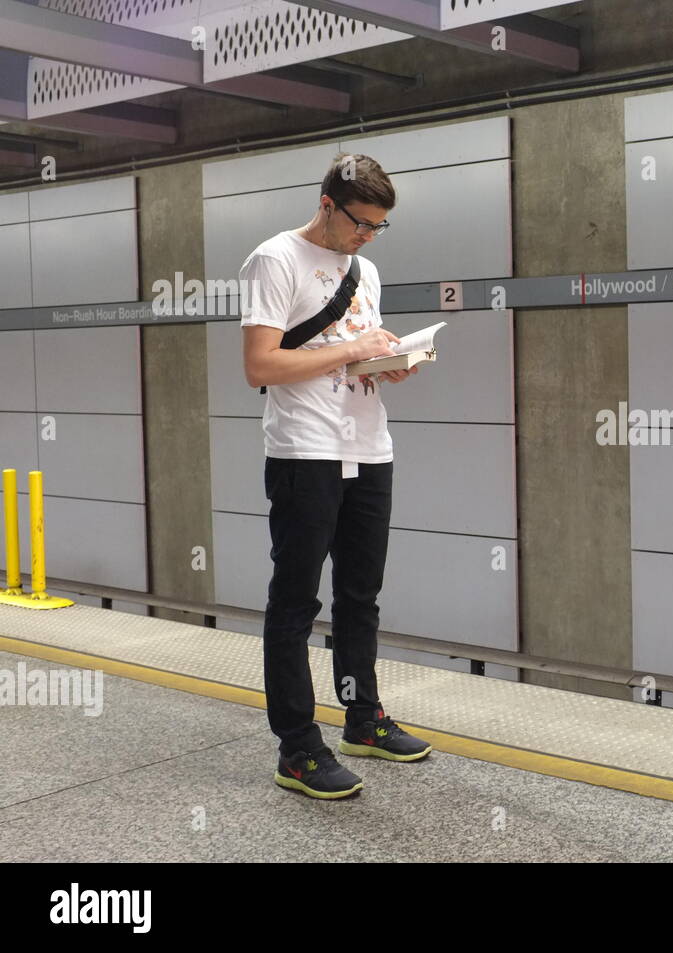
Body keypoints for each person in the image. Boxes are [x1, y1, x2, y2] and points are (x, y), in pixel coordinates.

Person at [239, 152, 432, 799]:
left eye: (378, 227)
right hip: (304, 451)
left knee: (360, 596)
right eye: (361, 224)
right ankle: (297, 747)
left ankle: (361, 717)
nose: (367, 238)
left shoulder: (365, 269)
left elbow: (349, 354)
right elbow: (261, 365)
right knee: (295, 602)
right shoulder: (274, 260)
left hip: (369, 447)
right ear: (327, 205)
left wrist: (388, 361)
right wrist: (352, 350)